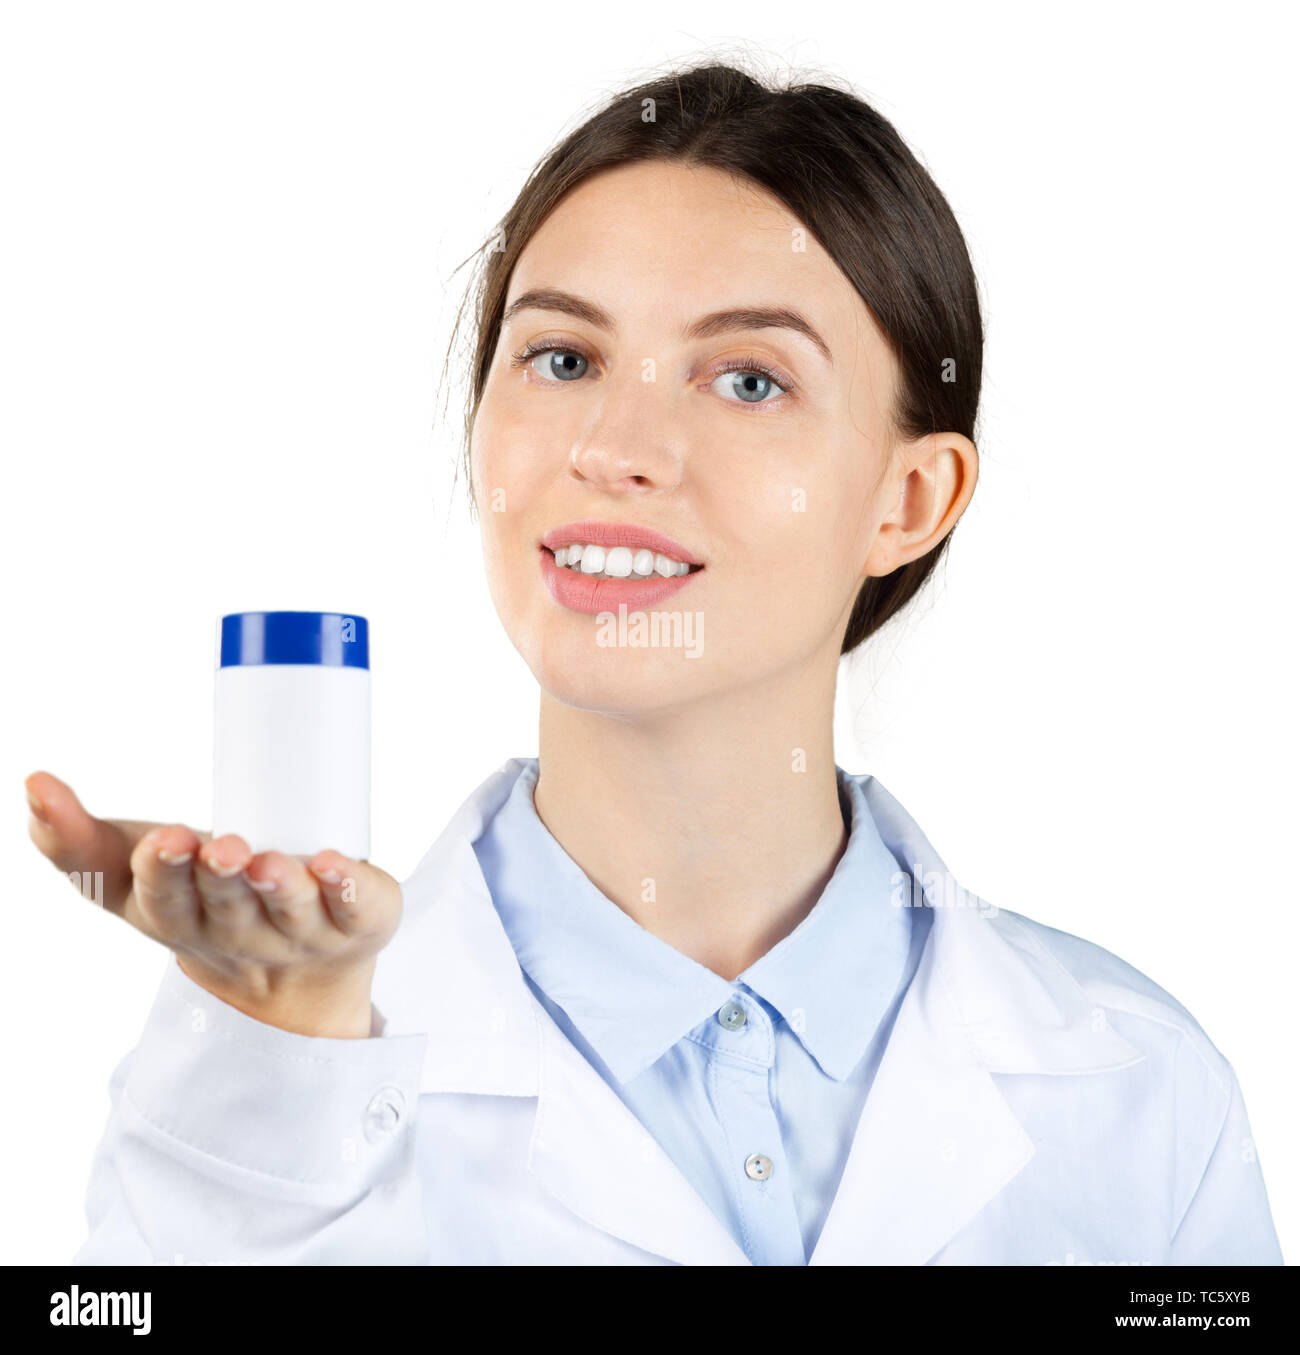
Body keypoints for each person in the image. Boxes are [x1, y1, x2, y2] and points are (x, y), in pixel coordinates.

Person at [26, 60, 1283, 1266]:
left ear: (908, 496)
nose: (616, 446)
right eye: (562, 359)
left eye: (747, 378)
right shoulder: (279, 1056)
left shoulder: (1137, 1087)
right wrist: (285, 1058)